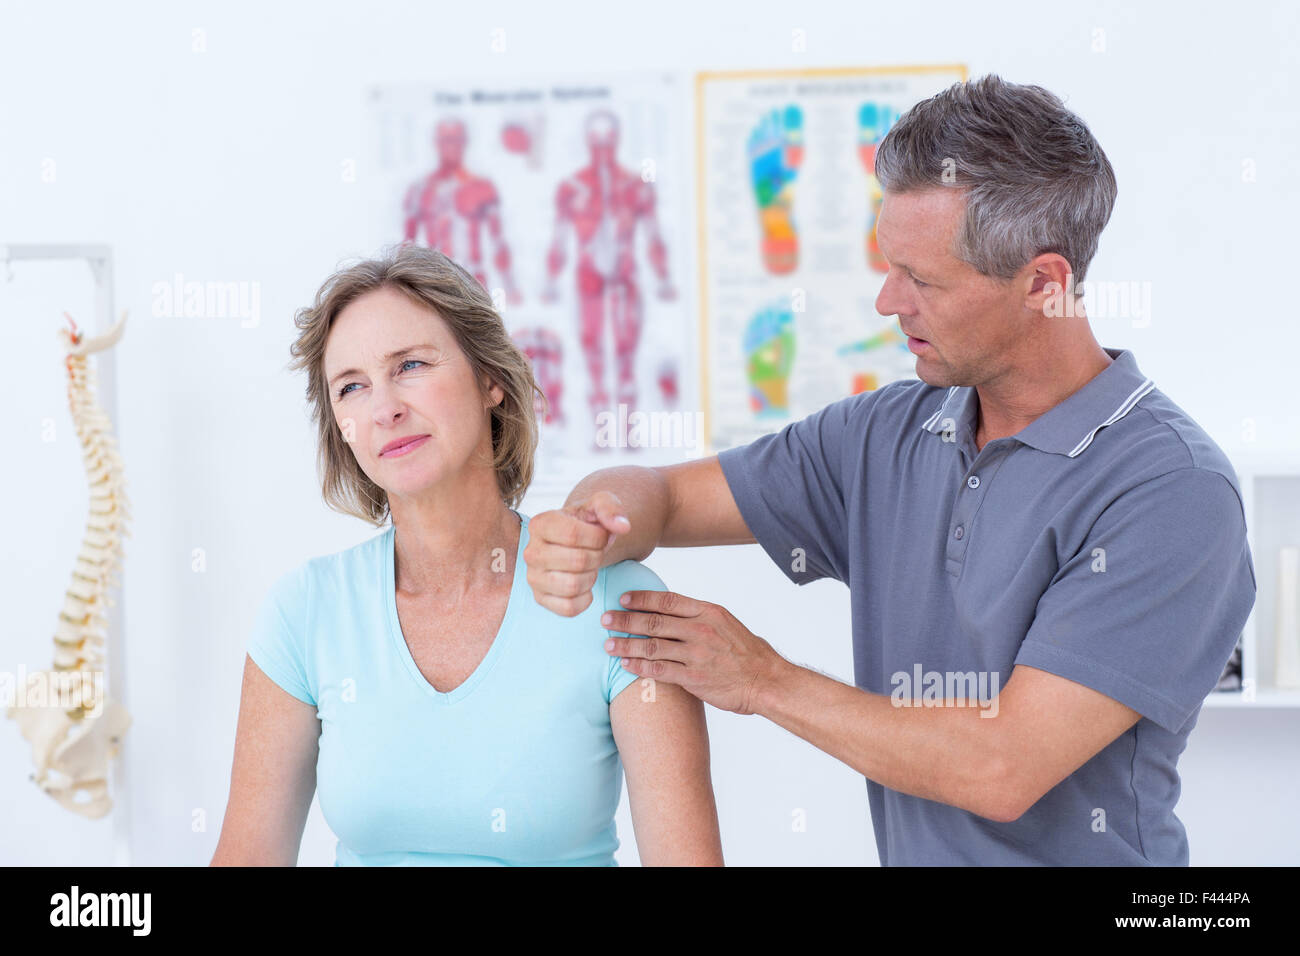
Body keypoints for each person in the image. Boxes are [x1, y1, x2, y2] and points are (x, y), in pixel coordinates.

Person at [523, 75, 1257, 866]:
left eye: (924, 280)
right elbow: (664, 496)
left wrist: (761, 680)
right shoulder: (886, 433)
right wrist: (592, 521)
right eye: (888, 264)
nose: (885, 301)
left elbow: (1002, 766)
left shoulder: (1169, 491)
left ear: (1044, 284)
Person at [211, 244, 722, 866]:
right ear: (339, 425)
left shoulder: (613, 598)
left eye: (412, 365)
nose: (385, 408)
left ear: (491, 381)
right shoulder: (306, 612)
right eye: (352, 386)